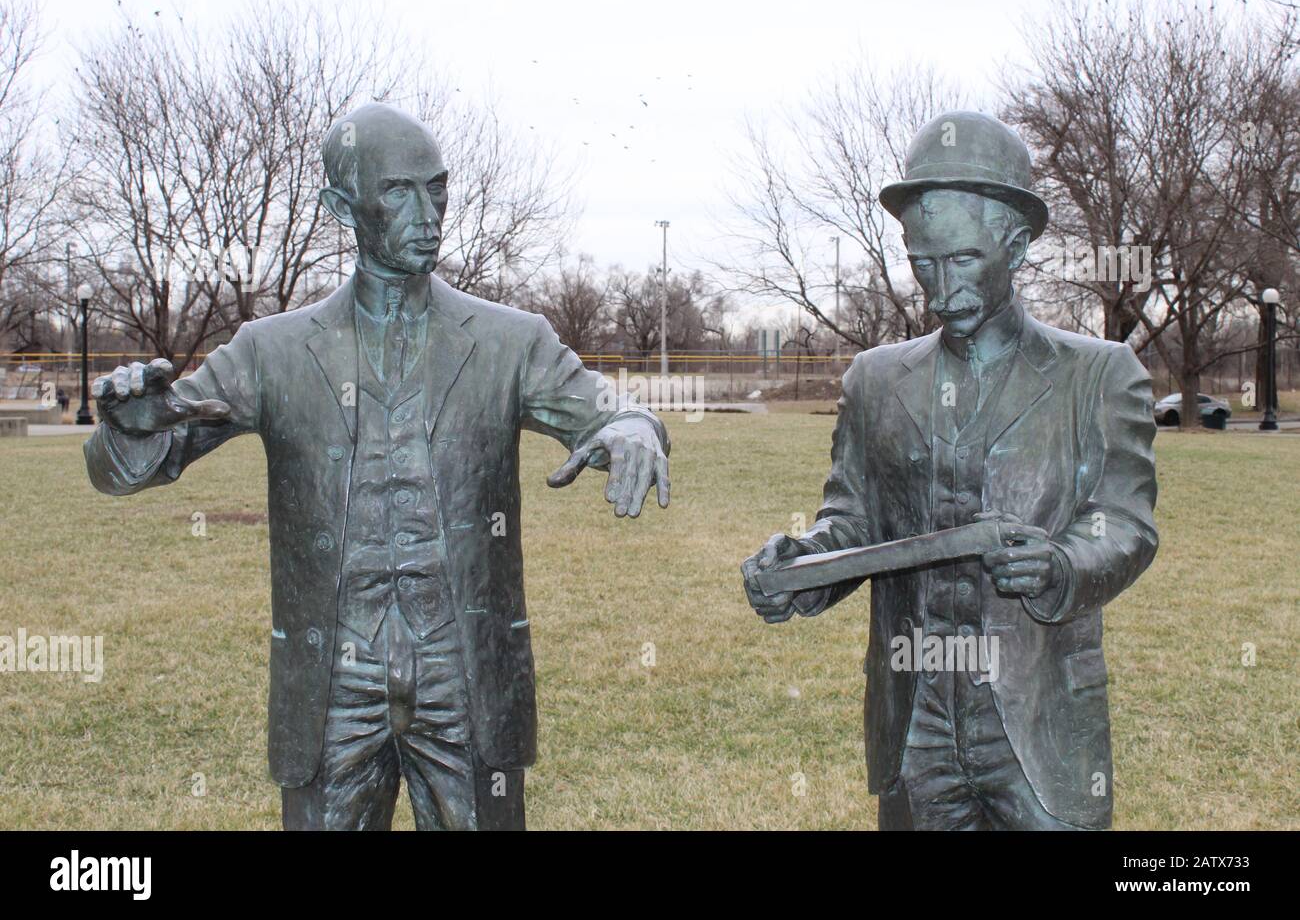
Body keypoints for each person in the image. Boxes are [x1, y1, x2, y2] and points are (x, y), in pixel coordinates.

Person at [84, 103, 670, 831]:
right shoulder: (271, 351)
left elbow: (611, 408)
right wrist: (127, 428)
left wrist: (635, 428)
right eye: (399, 191)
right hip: (332, 684)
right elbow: (136, 464)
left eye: (437, 188)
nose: (428, 213)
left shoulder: (511, 341)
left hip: (464, 675)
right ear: (340, 206)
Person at [742, 111, 1157, 830]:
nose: (941, 287)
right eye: (922, 262)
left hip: (1040, 723)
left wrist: (1062, 564)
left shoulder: (1099, 375)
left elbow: (1122, 521)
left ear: (1017, 245)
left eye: (962, 259)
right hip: (916, 723)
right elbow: (856, 520)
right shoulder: (875, 380)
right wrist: (802, 566)